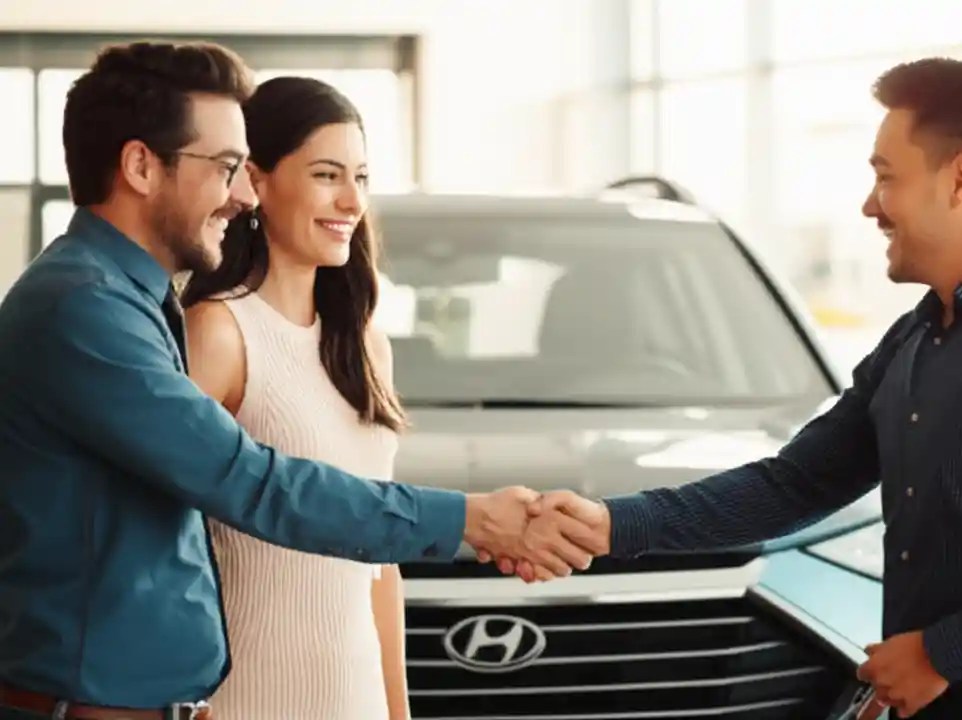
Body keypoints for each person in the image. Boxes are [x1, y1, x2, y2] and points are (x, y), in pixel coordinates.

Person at [492, 57, 962, 720]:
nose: (870, 206)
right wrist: (612, 524)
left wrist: (942, 654)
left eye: (886, 178)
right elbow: (793, 485)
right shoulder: (913, 338)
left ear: (960, 179)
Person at [0, 41, 601, 720]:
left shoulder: (126, 299)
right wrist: (472, 519)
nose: (240, 194)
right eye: (225, 167)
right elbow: (247, 482)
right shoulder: (85, 310)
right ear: (140, 166)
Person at [177, 75, 409, 720]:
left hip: (355, 700)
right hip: (243, 699)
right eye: (327, 175)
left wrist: (397, 712)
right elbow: (159, 538)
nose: (351, 200)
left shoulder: (366, 345)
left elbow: (380, 566)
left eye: (361, 177)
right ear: (256, 181)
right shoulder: (217, 332)